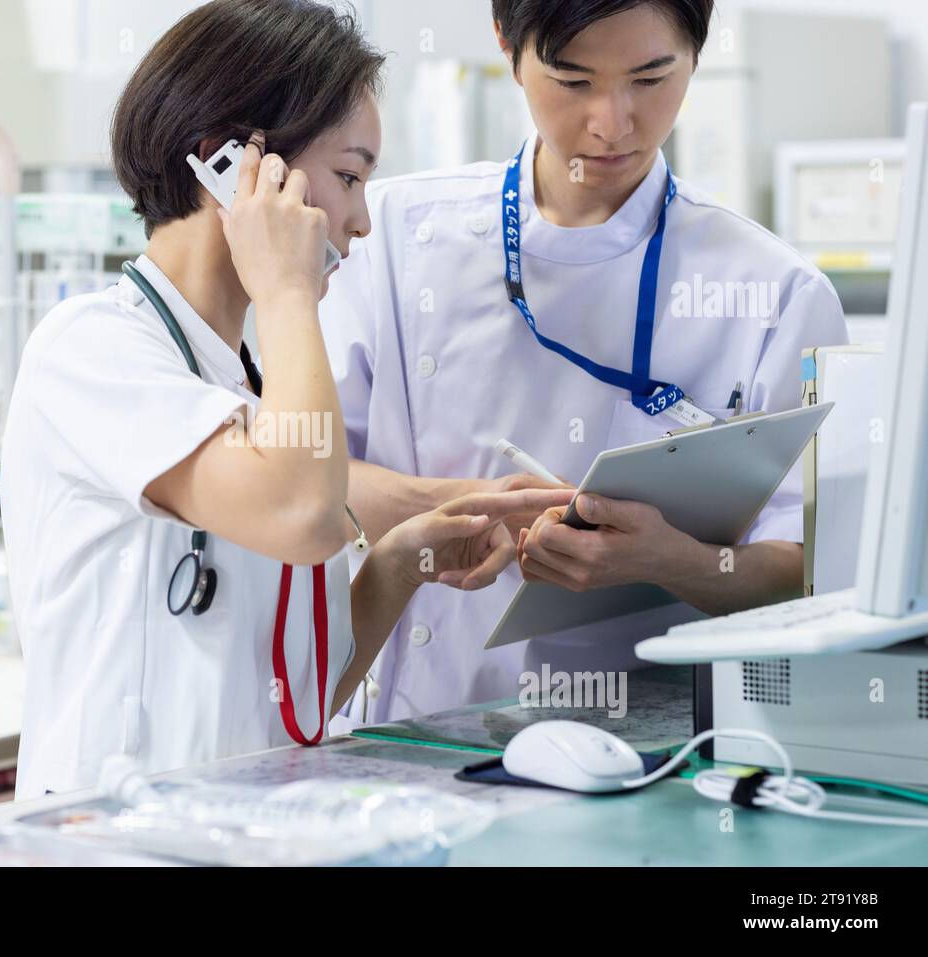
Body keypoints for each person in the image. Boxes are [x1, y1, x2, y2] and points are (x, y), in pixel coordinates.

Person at [0, 0, 572, 798]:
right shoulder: (89, 350)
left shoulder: (246, 385)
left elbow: (301, 695)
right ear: (230, 165)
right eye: (347, 177)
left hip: (236, 831)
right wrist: (285, 288)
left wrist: (401, 562)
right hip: (113, 842)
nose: (361, 221)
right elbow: (302, 515)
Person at [319, 0, 849, 726]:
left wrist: (670, 560)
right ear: (506, 45)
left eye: (650, 77)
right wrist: (483, 507)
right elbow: (310, 480)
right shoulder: (389, 236)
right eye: (572, 81)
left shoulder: (775, 292)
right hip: (401, 731)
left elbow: (808, 573)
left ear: (698, 52)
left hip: (645, 754)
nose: (611, 122)